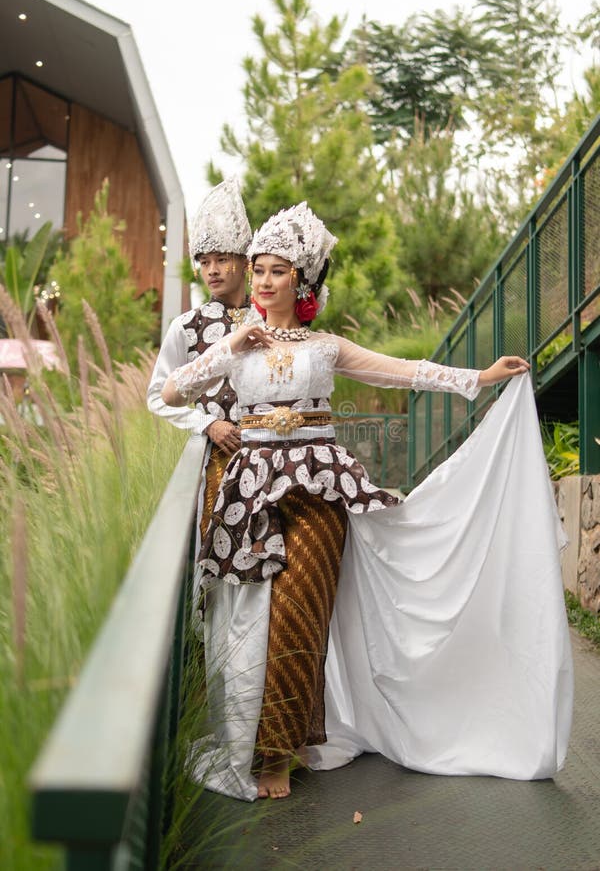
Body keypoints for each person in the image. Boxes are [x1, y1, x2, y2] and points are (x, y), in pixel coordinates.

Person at [161, 203, 573, 801]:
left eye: (277, 271)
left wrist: (478, 378)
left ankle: (278, 752)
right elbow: (173, 391)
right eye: (259, 271)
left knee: (300, 614)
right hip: (250, 492)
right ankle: (255, 738)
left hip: (320, 489)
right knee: (251, 622)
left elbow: (402, 372)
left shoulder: (326, 346)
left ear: (302, 282)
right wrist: (230, 345)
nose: (264, 282)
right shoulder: (236, 344)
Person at [147, 177, 259, 586]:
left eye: (221, 259)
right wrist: (207, 423)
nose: (211, 270)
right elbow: (157, 396)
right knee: (218, 567)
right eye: (204, 261)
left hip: (272, 457)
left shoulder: (270, 318)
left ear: (245, 262)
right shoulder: (186, 326)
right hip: (218, 462)